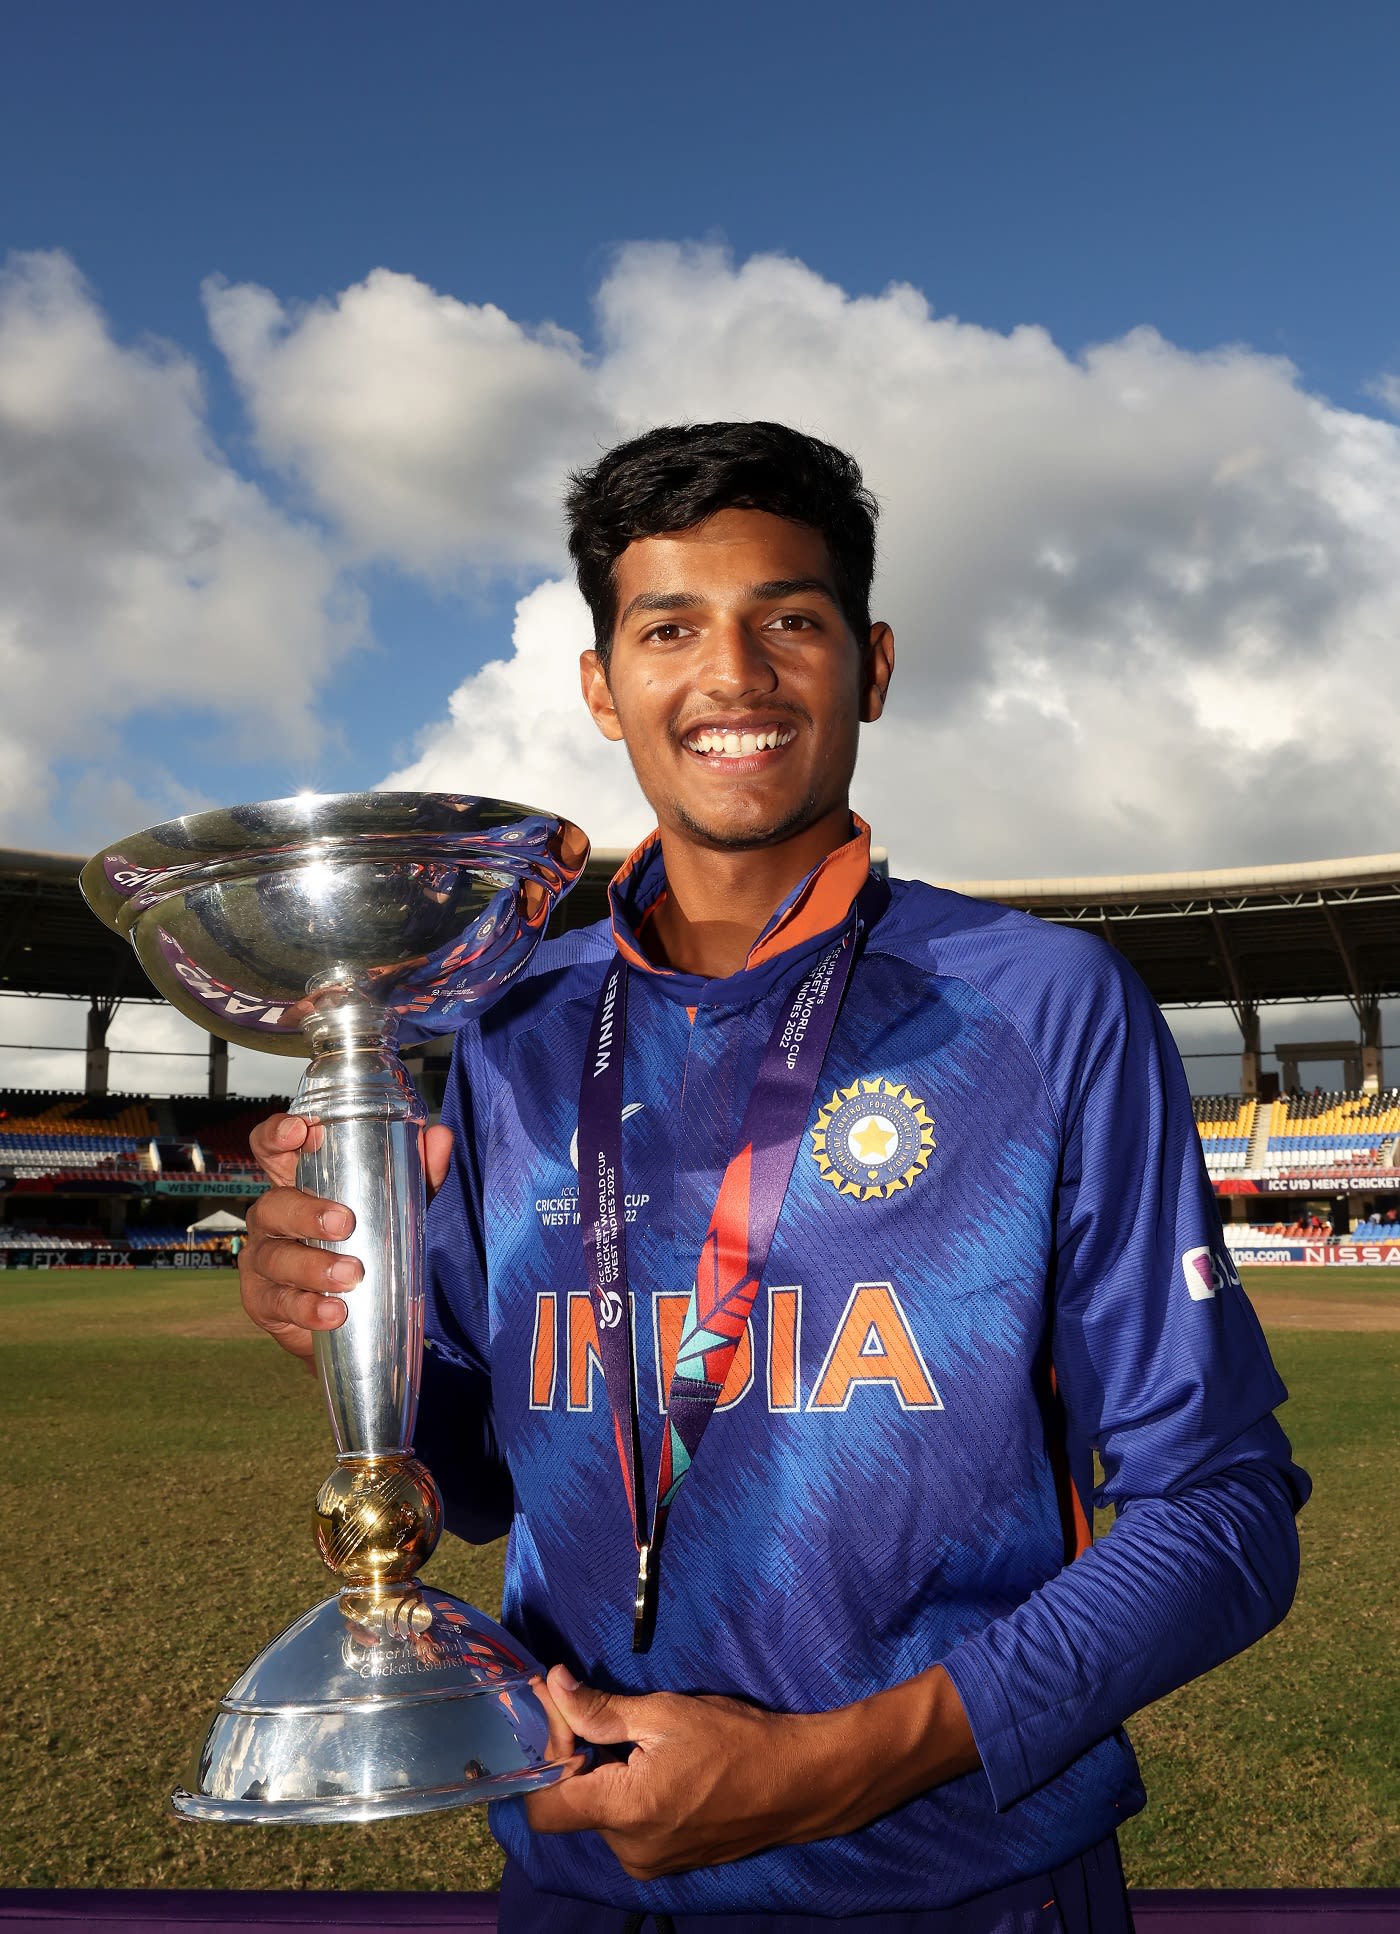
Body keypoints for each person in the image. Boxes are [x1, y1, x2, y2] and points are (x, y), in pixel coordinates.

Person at [239, 422, 1309, 1934]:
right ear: (605, 686)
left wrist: (834, 1767)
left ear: (871, 665)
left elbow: (1222, 1514)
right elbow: (478, 1480)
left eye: (787, 620)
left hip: (960, 1891)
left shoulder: (1046, 1005)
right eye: (669, 626)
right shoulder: (509, 1032)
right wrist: (359, 1327)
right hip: (582, 1890)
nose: (731, 675)